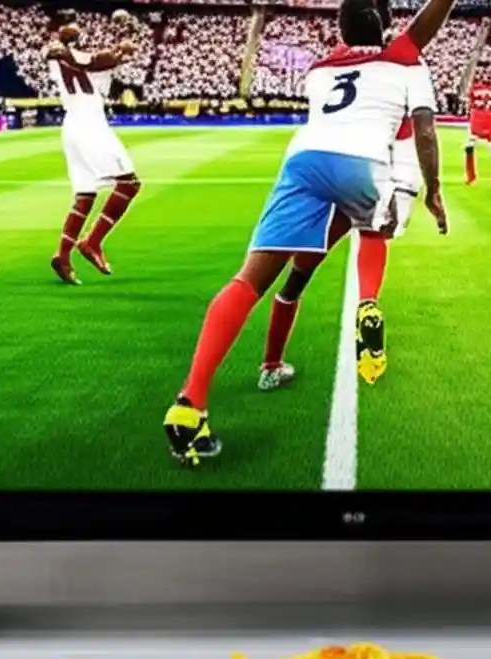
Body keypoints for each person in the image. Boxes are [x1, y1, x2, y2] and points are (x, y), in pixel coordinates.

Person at [163, 0, 455, 466]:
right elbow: (424, 124)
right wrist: (434, 190)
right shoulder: (405, 58)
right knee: (375, 230)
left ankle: (190, 403)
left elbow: (360, 56)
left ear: (339, 34)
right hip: (363, 163)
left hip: (303, 161)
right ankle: (368, 304)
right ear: (384, 30)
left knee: (249, 280)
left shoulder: (319, 69)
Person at [258, 7, 429, 392]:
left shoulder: (327, 66)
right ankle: (368, 300)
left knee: (296, 277)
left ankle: (270, 364)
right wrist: (417, 190)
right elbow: (412, 135)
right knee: (373, 235)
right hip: (370, 173)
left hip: (320, 171)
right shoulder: (399, 71)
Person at [45, 9, 142, 285]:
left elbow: (97, 61)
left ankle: (62, 255)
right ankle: (92, 242)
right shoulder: (64, 54)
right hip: (88, 126)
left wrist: (122, 50)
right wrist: (120, 52)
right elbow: (93, 61)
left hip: (76, 126)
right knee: (130, 184)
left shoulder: (63, 54)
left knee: (85, 196)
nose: (74, 31)